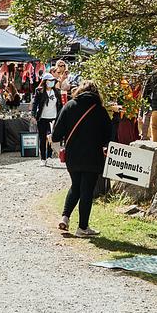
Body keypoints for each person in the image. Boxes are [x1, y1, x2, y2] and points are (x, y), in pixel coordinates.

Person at [52, 80, 114, 237]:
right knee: (86, 190)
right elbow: (110, 135)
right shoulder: (99, 110)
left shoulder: (69, 106)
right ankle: (82, 228)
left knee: (76, 186)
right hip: (93, 156)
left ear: (79, 90)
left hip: (73, 155)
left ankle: (65, 217)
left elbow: (56, 135)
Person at [31, 76, 63, 164]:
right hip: (42, 118)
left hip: (53, 118)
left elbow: (60, 104)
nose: (51, 82)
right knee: (42, 138)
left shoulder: (57, 92)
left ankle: (49, 155)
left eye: (53, 80)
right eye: (49, 80)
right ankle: (43, 158)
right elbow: (35, 104)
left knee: (51, 137)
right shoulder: (39, 91)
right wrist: (33, 115)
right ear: (45, 81)